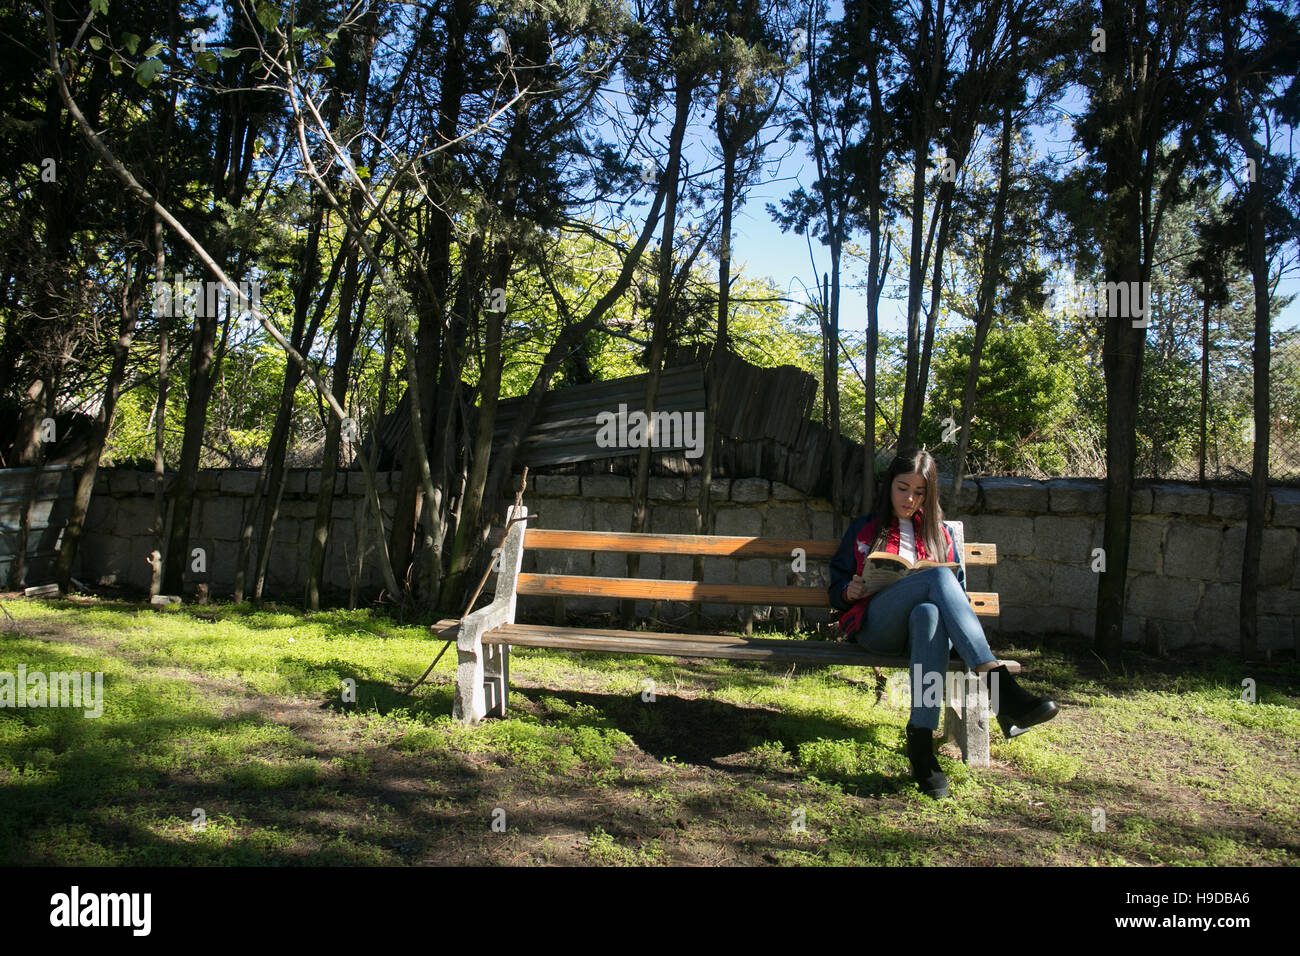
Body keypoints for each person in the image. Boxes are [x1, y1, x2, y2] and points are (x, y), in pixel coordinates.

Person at [828, 448, 1060, 798]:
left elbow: (957, 597)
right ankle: (1002, 691)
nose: (909, 498)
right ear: (888, 485)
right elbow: (835, 588)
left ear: (929, 494)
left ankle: (921, 750)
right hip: (878, 627)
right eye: (902, 488)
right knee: (936, 579)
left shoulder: (941, 535)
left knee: (930, 612)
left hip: (926, 634)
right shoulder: (864, 529)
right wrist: (850, 590)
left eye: (919, 492)